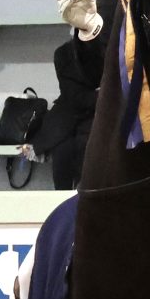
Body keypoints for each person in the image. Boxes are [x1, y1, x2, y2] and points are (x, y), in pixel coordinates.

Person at [33, 31, 100, 190]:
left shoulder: (113, 50)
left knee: (84, 147)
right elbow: (75, 96)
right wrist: (101, 94)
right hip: (72, 115)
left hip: (97, 115)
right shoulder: (64, 54)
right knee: (64, 150)